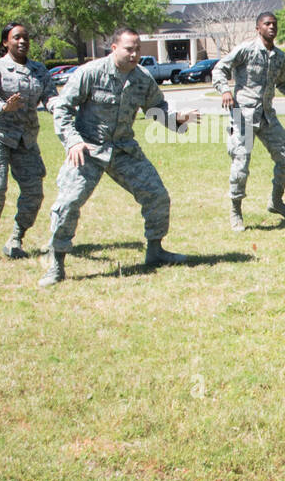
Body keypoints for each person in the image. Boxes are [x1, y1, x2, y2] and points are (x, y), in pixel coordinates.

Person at [40, 27, 200, 287]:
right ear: (114, 48)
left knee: (157, 195)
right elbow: (63, 108)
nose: (135, 54)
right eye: (129, 49)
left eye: (137, 49)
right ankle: (56, 263)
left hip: (123, 149)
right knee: (68, 202)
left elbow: (155, 109)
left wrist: (177, 119)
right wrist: (73, 141)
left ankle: (155, 250)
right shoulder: (90, 72)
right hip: (87, 148)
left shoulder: (142, 78)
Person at [0, 22, 58, 262]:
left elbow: (50, 97)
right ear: (5, 42)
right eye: (17, 37)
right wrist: (3, 106)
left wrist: (58, 108)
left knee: (34, 191)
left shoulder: (39, 70)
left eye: (26, 38)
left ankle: (16, 239)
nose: (22, 42)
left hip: (25, 138)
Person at [212, 12, 285, 230]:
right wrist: (225, 90)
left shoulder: (279, 56)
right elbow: (219, 68)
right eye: (267, 24)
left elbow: (282, 82)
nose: (272, 27)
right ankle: (236, 211)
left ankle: (276, 202)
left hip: (266, 116)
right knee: (241, 165)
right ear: (258, 28)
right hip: (241, 114)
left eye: (274, 24)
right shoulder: (246, 49)